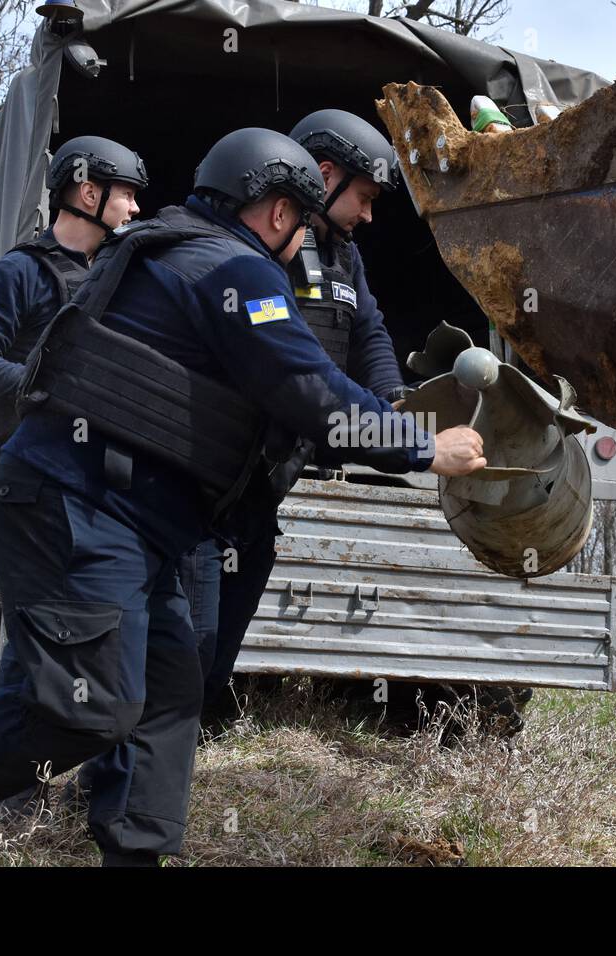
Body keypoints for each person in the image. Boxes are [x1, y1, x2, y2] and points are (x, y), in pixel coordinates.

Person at [0, 128, 486, 867]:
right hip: (74, 505)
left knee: (167, 690)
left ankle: (136, 855)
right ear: (278, 214)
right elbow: (305, 389)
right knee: (87, 707)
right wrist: (422, 445)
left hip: (126, 516)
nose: (305, 251)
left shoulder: (163, 248)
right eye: (300, 225)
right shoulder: (232, 268)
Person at [181, 109, 411, 723]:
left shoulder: (348, 257)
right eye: (364, 197)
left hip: (283, 459)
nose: (368, 214)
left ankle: (188, 731)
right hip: (230, 454)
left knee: (233, 602)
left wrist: (388, 397)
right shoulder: (266, 245)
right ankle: (159, 741)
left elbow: (370, 329)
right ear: (325, 174)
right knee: (190, 634)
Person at [0, 136, 147, 461]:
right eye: (127, 194)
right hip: (33, 474)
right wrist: (47, 384)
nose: (135, 208)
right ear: (89, 193)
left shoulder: (123, 276)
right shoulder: (16, 271)